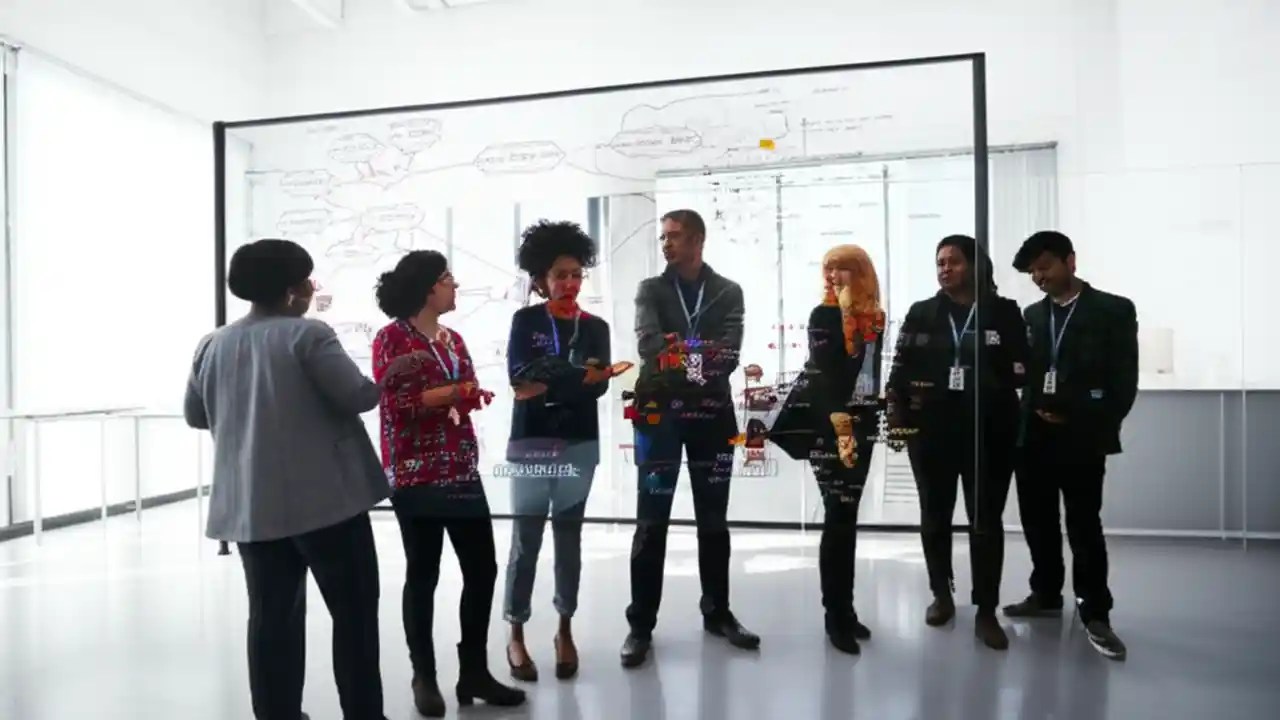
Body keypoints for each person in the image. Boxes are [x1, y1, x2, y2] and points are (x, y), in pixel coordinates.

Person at [184, 238, 390, 720]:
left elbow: (196, 414)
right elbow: (357, 395)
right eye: (308, 281)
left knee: (271, 621)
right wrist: (383, 378)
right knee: (354, 618)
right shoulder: (308, 335)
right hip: (328, 504)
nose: (311, 288)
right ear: (294, 289)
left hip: (253, 508)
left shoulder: (212, 343)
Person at [371, 250, 525, 717]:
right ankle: (425, 675)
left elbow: (464, 384)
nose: (454, 286)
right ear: (426, 288)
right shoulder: (390, 338)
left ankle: (473, 671)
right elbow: (399, 403)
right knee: (424, 573)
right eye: (447, 279)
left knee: (482, 569)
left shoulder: (452, 339)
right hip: (415, 474)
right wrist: (457, 392)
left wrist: (469, 394)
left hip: (459, 469)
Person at [620, 209, 759, 669]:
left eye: (675, 236)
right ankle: (640, 624)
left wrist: (684, 353)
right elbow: (650, 349)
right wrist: (694, 355)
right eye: (663, 237)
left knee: (714, 518)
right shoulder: (651, 290)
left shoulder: (727, 291)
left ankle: (717, 611)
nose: (666, 244)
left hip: (714, 417)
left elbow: (731, 354)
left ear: (698, 240)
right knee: (651, 519)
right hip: (660, 417)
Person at [886, 234, 1028, 651]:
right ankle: (941, 594)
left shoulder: (1002, 313)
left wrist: (992, 377)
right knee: (935, 515)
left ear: (976, 266)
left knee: (985, 520)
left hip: (990, 431)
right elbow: (900, 368)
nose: (945, 268)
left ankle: (986, 609)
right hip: (932, 432)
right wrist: (897, 415)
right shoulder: (923, 313)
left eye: (954, 261)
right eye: (940, 262)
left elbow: (1022, 368)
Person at [502, 220, 629, 681]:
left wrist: (555, 380)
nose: (570, 283)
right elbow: (520, 378)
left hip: (579, 443)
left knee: (568, 539)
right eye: (560, 274)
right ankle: (515, 633)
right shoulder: (525, 321)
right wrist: (578, 376)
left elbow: (595, 390)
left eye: (577, 274)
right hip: (532, 442)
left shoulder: (596, 327)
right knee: (526, 541)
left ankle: (564, 627)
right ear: (540, 280)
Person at [1003, 230, 1138, 661]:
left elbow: (1123, 382)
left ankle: (1096, 611)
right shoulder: (1031, 315)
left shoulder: (1113, 310)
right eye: (1032, 272)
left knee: (1083, 525)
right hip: (1034, 438)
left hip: (1082, 437)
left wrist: (1078, 415)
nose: (1038, 277)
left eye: (1044, 266)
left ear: (1070, 261)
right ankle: (1045, 594)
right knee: (1037, 521)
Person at [772, 244, 886, 654]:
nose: (835, 276)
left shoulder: (874, 317)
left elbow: (870, 373)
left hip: (862, 424)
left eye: (844, 269)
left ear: (863, 273)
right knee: (838, 516)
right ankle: (835, 615)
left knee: (847, 516)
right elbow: (827, 373)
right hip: (830, 427)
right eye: (830, 269)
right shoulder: (824, 315)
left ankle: (846, 611)